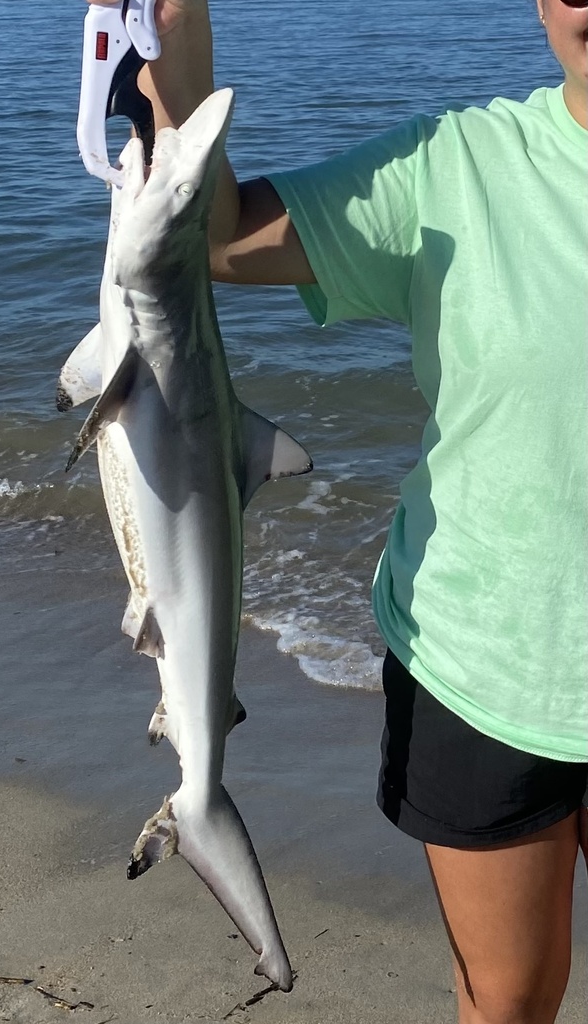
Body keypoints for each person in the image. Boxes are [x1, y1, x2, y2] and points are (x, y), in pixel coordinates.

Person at [87, 1, 588, 1021]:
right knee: (509, 999)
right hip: (487, 668)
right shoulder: (458, 170)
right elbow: (220, 239)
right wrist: (176, 45)